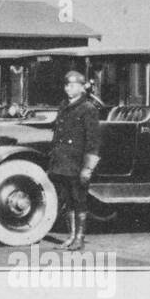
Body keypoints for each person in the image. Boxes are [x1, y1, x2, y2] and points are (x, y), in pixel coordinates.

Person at [49, 70, 101, 252]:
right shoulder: (64, 106)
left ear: (81, 87)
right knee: (67, 201)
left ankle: (79, 238)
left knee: (79, 200)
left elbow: (93, 142)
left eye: (73, 85)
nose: (68, 88)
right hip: (63, 163)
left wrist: (87, 168)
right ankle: (71, 236)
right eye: (66, 85)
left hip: (77, 163)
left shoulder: (88, 108)